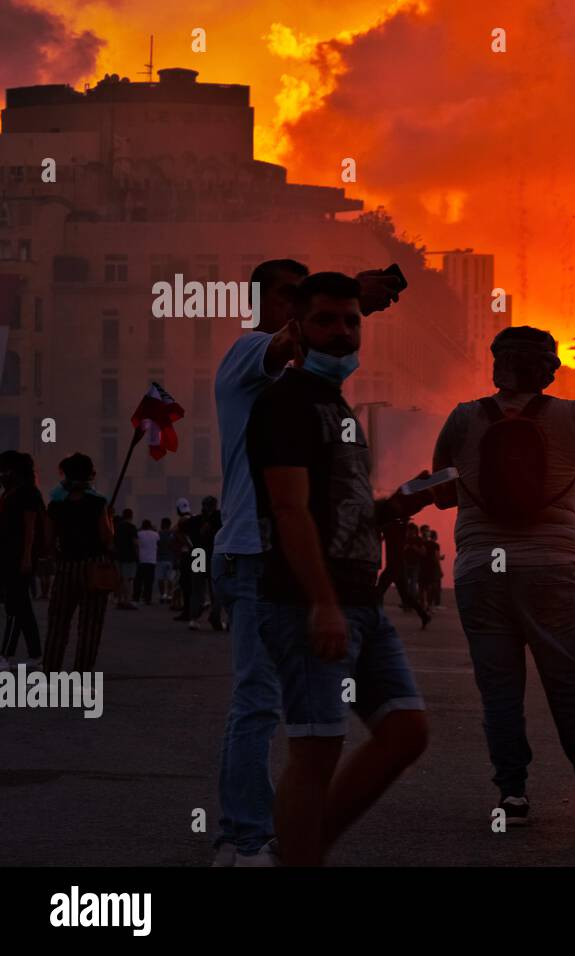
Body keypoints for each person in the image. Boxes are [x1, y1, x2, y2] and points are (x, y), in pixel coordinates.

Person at [210, 257, 402, 867]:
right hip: (252, 550)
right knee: (258, 701)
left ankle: (286, 836)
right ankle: (243, 838)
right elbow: (293, 339)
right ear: (265, 304)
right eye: (291, 299)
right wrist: (349, 297)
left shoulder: (317, 395)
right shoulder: (247, 354)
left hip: (299, 558)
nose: (298, 312)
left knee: (311, 715)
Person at [246, 271, 429, 866]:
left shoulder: (336, 405)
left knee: (405, 731)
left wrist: (401, 504)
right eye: (325, 320)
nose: (342, 331)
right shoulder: (286, 401)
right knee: (316, 751)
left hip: (360, 601)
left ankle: (302, 851)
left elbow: (342, 510)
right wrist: (321, 602)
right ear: (297, 329)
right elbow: (289, 508)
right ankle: (298, 855)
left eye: (351, 320)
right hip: (307, 602)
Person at [433, 325, 575, 827]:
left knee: (499, 687)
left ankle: (513, 797)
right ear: (548, 369)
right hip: (550, 566)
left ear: (497, 367)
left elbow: (441, 493)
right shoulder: (573, 416)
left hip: (481, 568)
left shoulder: (463, 418)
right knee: (569, 684)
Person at [43, 453, 114, 672]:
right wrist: (110, 519)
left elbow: (48, 541)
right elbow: (107, 538)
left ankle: (50, 671)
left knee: (57, 624)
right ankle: (81, 675)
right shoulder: (97, 503)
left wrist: (59, 559)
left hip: (66, 568)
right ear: (90, 474)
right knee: (90, 626)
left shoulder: (56, 505)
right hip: (93, 567)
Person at [0, 451, 46, 669]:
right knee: (22, 606)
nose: (2, 473)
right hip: (8, 554)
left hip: (20, 555)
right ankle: (35, 653)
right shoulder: (10, 491)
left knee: (15, 605)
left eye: (6, 469)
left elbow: (30, 528)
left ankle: (5, 654)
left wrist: (27, 557)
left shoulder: (29, 492)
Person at [376, 518, 430, 628]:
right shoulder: (397, 528)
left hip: (393, 566)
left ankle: (377, 619)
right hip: (398, 566)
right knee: (405, 596)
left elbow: (380, 532)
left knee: (379, 592)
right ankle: (424, 615)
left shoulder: (392, 528)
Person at [184, 496, 225, 632]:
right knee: (217, 588)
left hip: (197, 554)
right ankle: (215, 618)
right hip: (214, 554)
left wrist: (191, 546)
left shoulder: (194, 520)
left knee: (197, 589)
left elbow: (180, 531)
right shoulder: (218, 518)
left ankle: (193, 619)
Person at [113, 507, 139, 610]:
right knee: (128, 580)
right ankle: (127, 601)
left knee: (120, 579)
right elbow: (135, 543)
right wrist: (138, 555)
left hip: (118, 556)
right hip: (129, 556)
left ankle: (120, 600)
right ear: (131, 516)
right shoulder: (132, 527)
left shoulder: (117, 527)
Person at [132, 519, 159, 606]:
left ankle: (136, 597)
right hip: (152, 560)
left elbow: (136, 543)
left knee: (138, 580)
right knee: (149, 581)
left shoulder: (139, 534)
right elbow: (158, 543)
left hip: (141, 559)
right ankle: (147, 598)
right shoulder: (155, 534)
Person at [419, 528, 443, 611]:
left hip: (423, 567)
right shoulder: (436, 545)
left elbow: (422, 553)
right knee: (431, 586)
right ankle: (429, 605)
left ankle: (422, 605)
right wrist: (440, 559)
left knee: (422, 587)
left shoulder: (424, 544)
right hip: (432, 567)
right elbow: (436, 557)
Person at [156, 517, 175, 605]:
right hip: (170, 558)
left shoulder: (158, 534)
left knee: (161, 579)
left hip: (160, 558)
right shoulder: (172, 534)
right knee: (170, 579)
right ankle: (170, 595)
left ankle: (163, 595)